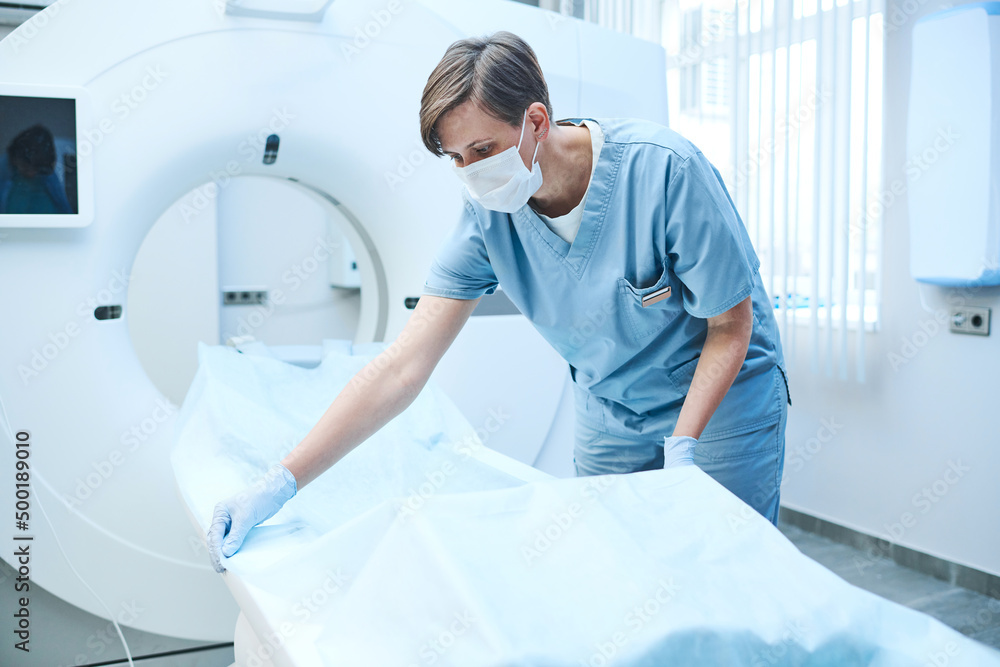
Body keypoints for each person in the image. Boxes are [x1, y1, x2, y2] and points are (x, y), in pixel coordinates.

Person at [208, 31, 790, 574]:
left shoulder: (665, 172)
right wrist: (278, 483)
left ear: (536, 120)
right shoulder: (489, 220)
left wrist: (683, 450)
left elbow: (731, 326)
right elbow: (400, 368)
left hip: (718, 405)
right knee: (615, 572)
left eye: (483, 148)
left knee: (723, 572)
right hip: (611, 407)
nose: (472, 172)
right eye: (456, 158)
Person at [0, 124, 73, 214]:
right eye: (26, 167)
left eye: (37, 170)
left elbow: (63, 205)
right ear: (14, 158)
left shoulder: (49, 176)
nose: (31, 174)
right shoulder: (5, 170)